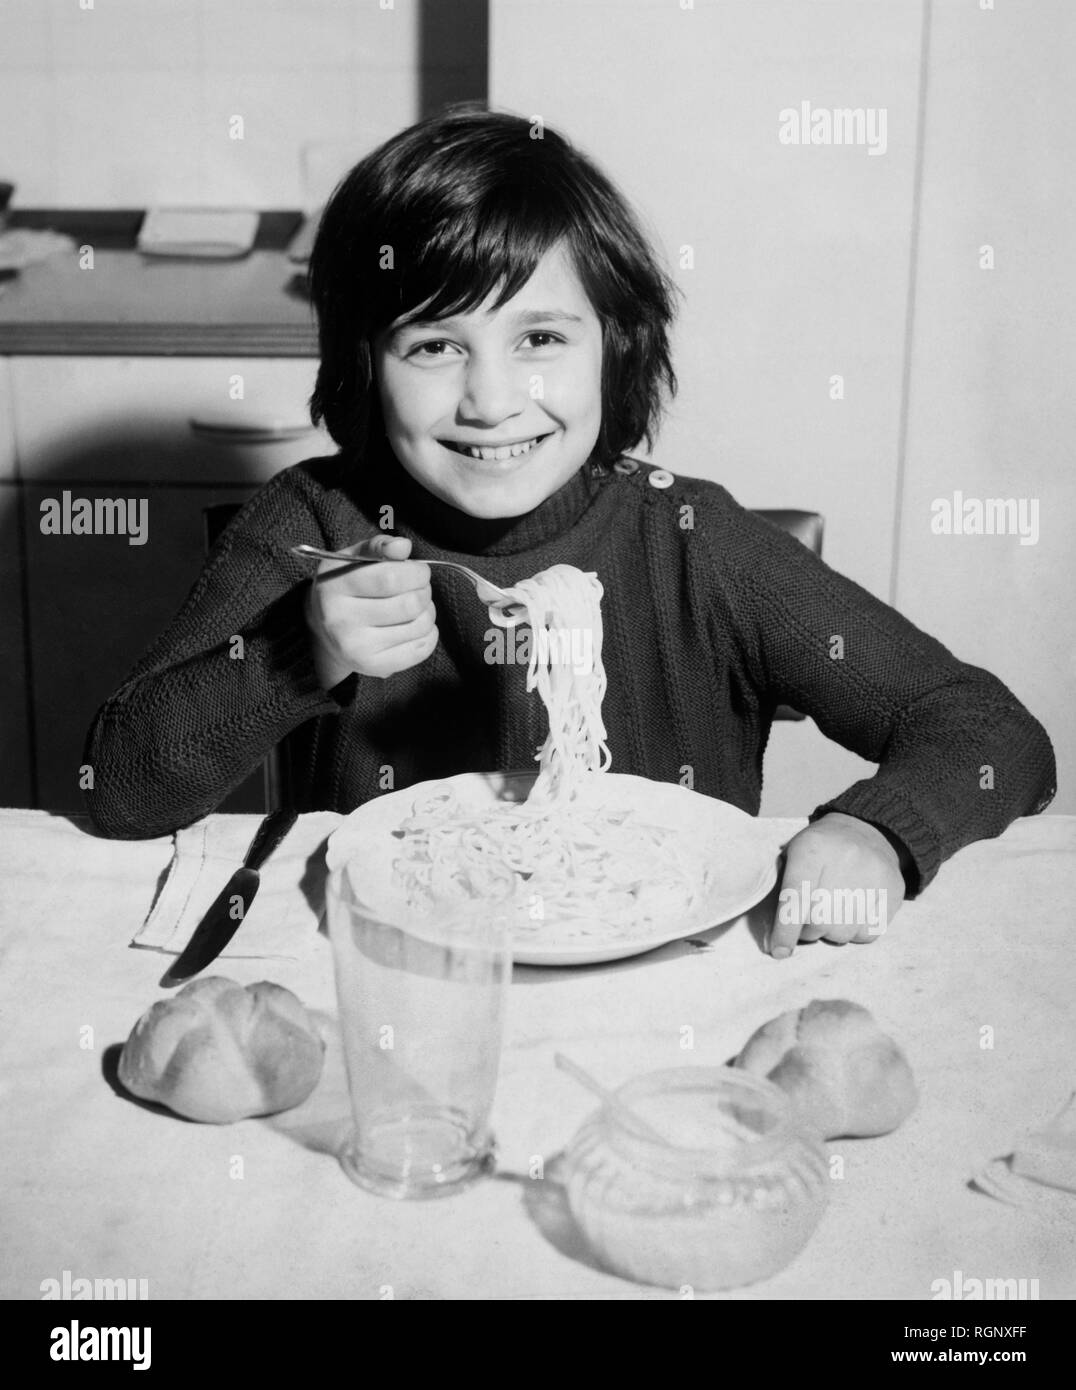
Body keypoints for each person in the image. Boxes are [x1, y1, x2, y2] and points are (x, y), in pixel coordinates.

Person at [83, 107, 1056, 958]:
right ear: (364, 365)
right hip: (400, 979)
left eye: (539, 338)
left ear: (613, 347)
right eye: (434, 345)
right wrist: (299, 652)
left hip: (660, 984)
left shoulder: (692, 538)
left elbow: (988, 732)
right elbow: (120, 790)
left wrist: (879, 833)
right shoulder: (312, 522)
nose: (491, 400)